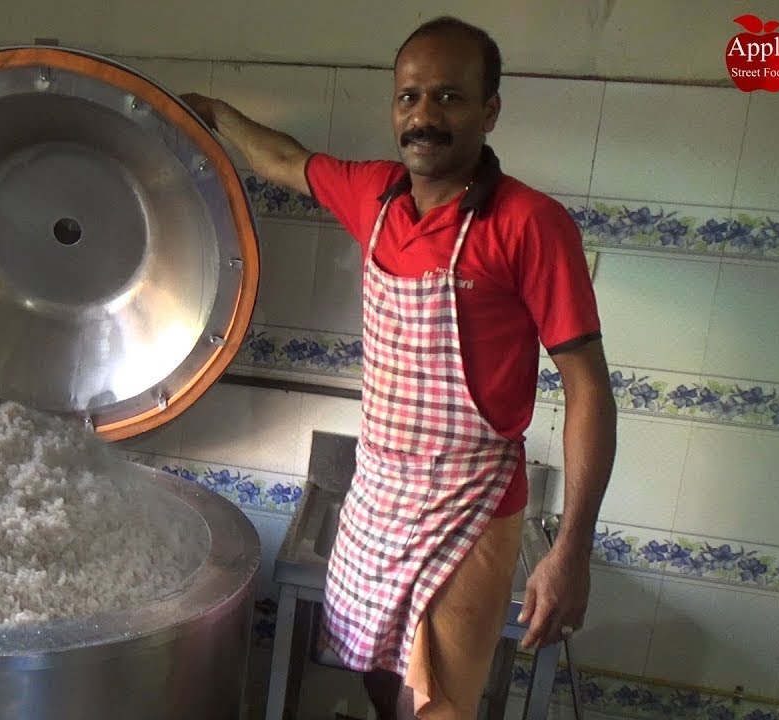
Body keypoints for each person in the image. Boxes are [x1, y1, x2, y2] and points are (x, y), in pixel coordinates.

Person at [183, 15, 617, 720]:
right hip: (376, 495)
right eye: (409, 97)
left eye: (448, 97)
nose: (424, 116)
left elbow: (590, 391)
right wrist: (214, 114)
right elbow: (282, 159)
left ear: (489, 110)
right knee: (380, 681)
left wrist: (572, 552)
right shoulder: (374, 196)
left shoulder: (530, 224)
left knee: (436, 705)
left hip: (468, 505)